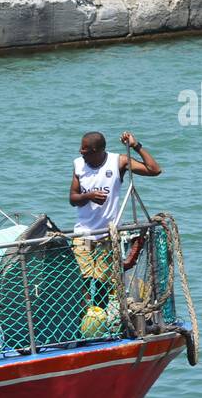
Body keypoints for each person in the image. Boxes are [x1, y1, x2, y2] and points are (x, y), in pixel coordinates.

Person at [69, 131, 161, 308]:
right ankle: (88, 317)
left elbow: (154, 170)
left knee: (102, 282)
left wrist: (135, 145)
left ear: (97, 151)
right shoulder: (79, 165)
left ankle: (99, 316)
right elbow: (73, 199)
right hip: (83, 234)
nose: (81, 152)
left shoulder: (117, 162)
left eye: (85, 150)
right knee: (84, 280)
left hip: (106, 235)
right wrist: (88, 196)